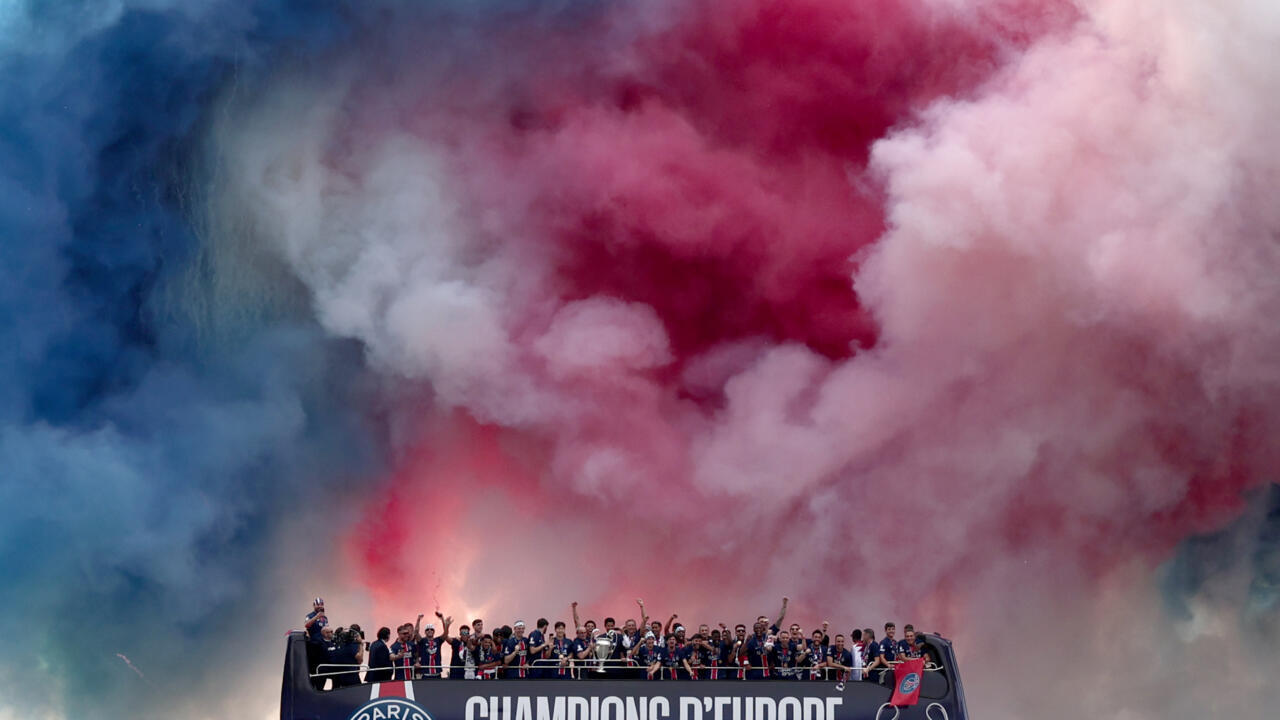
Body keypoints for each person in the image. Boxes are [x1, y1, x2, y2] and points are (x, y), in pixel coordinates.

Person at [415, 612, 451, 679]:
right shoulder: (422, 641)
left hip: (437, 674)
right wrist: (418, 620)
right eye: (427, 629)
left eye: (431, 629)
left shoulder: (438, 640)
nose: (429, 631)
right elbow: (416, 632)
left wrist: (442, 618)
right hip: (426, 674)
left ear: (434, 631)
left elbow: (445, 633)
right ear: (425, 632)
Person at [304, 598, 329, 690]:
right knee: (314, 667)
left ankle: (320, 686)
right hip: (314, 644)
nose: (320, 606)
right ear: (314, 605)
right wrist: (316, 617)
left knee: (323, 667)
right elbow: (307, 625)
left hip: (323, 644)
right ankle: (313, 685)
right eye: (317, 605)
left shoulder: (325, 618)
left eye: (321, 604)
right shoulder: (310, 615)